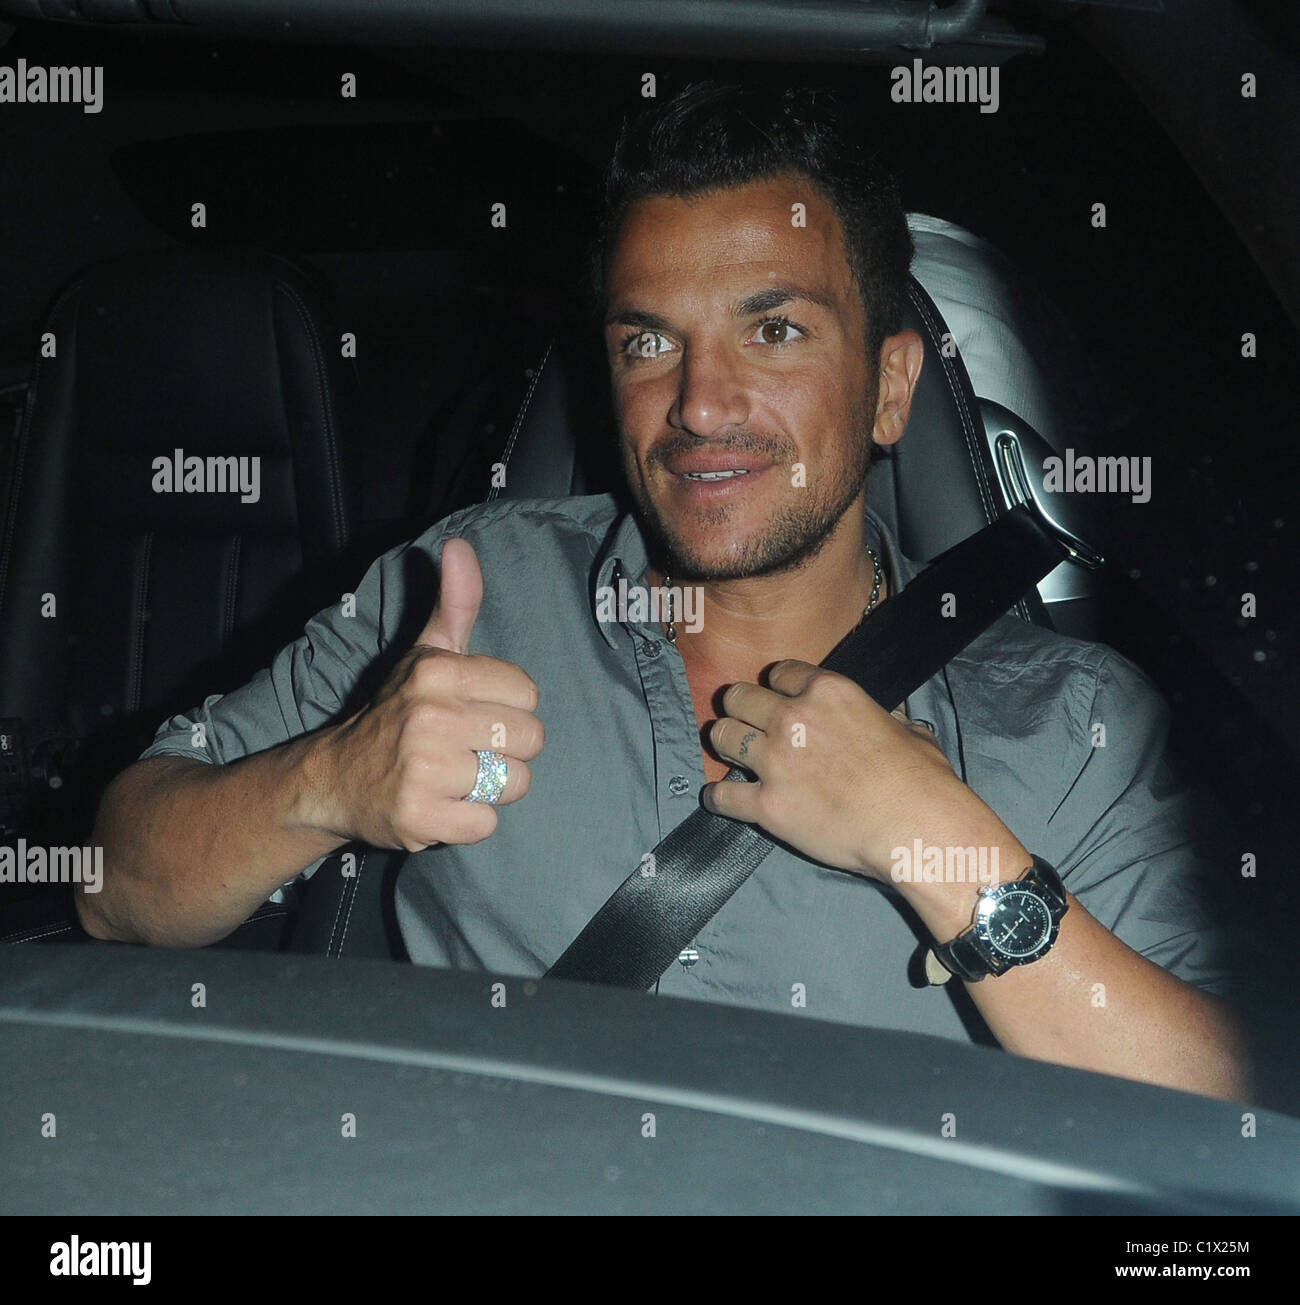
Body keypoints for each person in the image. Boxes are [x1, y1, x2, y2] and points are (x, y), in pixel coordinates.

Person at [76, 82, 1251, 1102]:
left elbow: (1222, 1122)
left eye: (775, 330)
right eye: (648, 344)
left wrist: (933, 840)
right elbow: (113, 889)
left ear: (890, 387)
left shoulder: (1072, 725)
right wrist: (328, 781)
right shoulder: (469, 589)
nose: (698, 403)